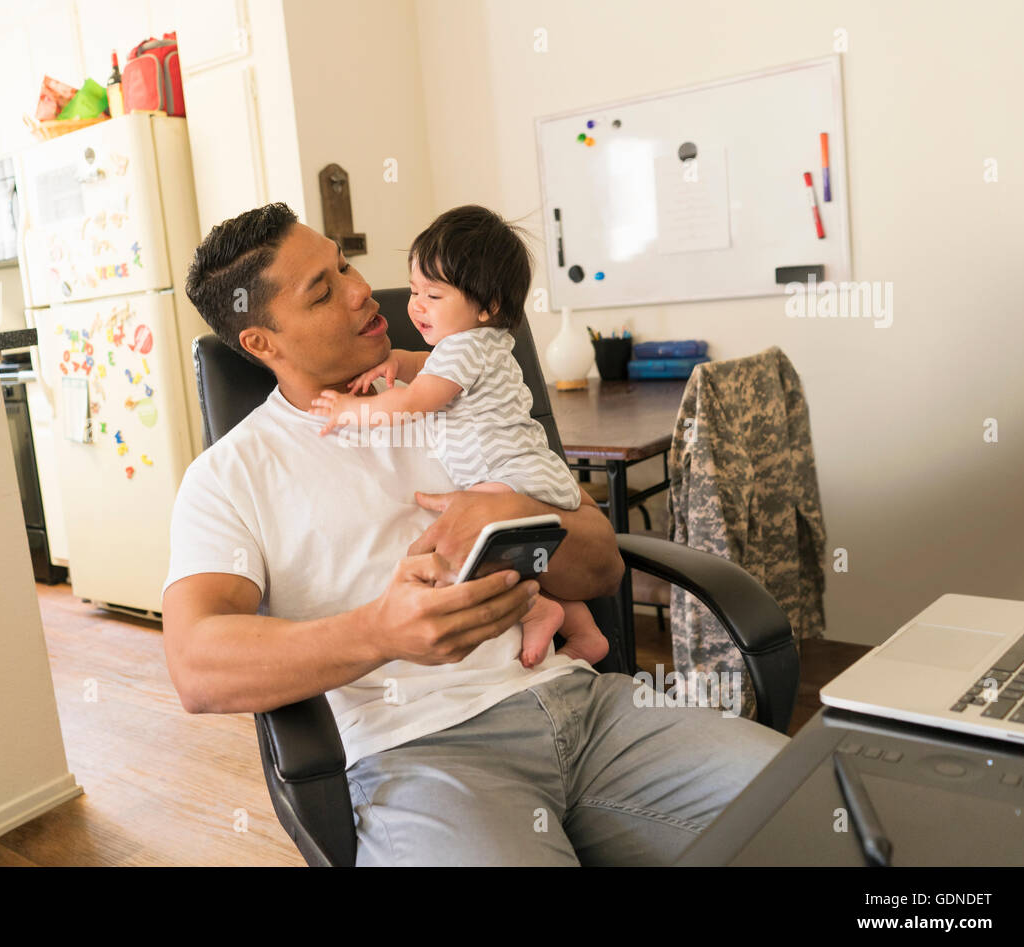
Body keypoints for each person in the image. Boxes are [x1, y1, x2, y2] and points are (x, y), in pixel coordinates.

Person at [162, 202, 787, 865]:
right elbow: (196, 664)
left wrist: (512, 513)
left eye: (345, 264)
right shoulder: (232, 477)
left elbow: (601, 565)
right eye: (323, 290)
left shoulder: (467, 397)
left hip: (589, 709)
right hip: (424, 755)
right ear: (262, 341)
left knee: (832, 808)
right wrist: (380, 630)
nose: (361, 289)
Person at [308, 204, 608, 670]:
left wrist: (352, 410)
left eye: (433, 294)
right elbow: (429, 366)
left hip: (509, 478)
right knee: (524, 558)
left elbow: (412, 403)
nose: (416, 306)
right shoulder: (478, 344)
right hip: (528, 473)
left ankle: (538, 608)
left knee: (470, 545)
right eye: (413, 291)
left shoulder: (463, 349)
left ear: (487, 307)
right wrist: (401, 363)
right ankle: (584, 632)